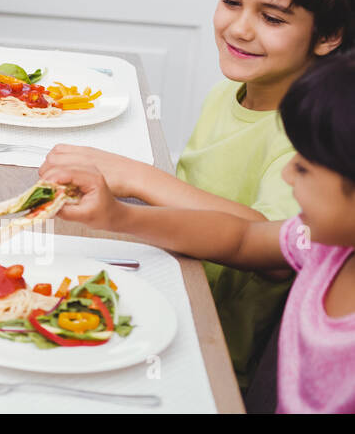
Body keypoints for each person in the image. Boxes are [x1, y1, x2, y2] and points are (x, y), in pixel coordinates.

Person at [39, 0, 355, 388]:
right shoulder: (230, 91)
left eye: (272, 18)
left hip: (211, 349)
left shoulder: (313, 144)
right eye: (231, 1)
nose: (240, 28)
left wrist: (141, 179)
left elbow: (267, 241)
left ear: (328, 35)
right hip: (163, 282)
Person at [45, 52, 355, 413]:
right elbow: (242, 238)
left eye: (303, 167)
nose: (287, 175)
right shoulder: (320, 244)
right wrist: (119, 216)